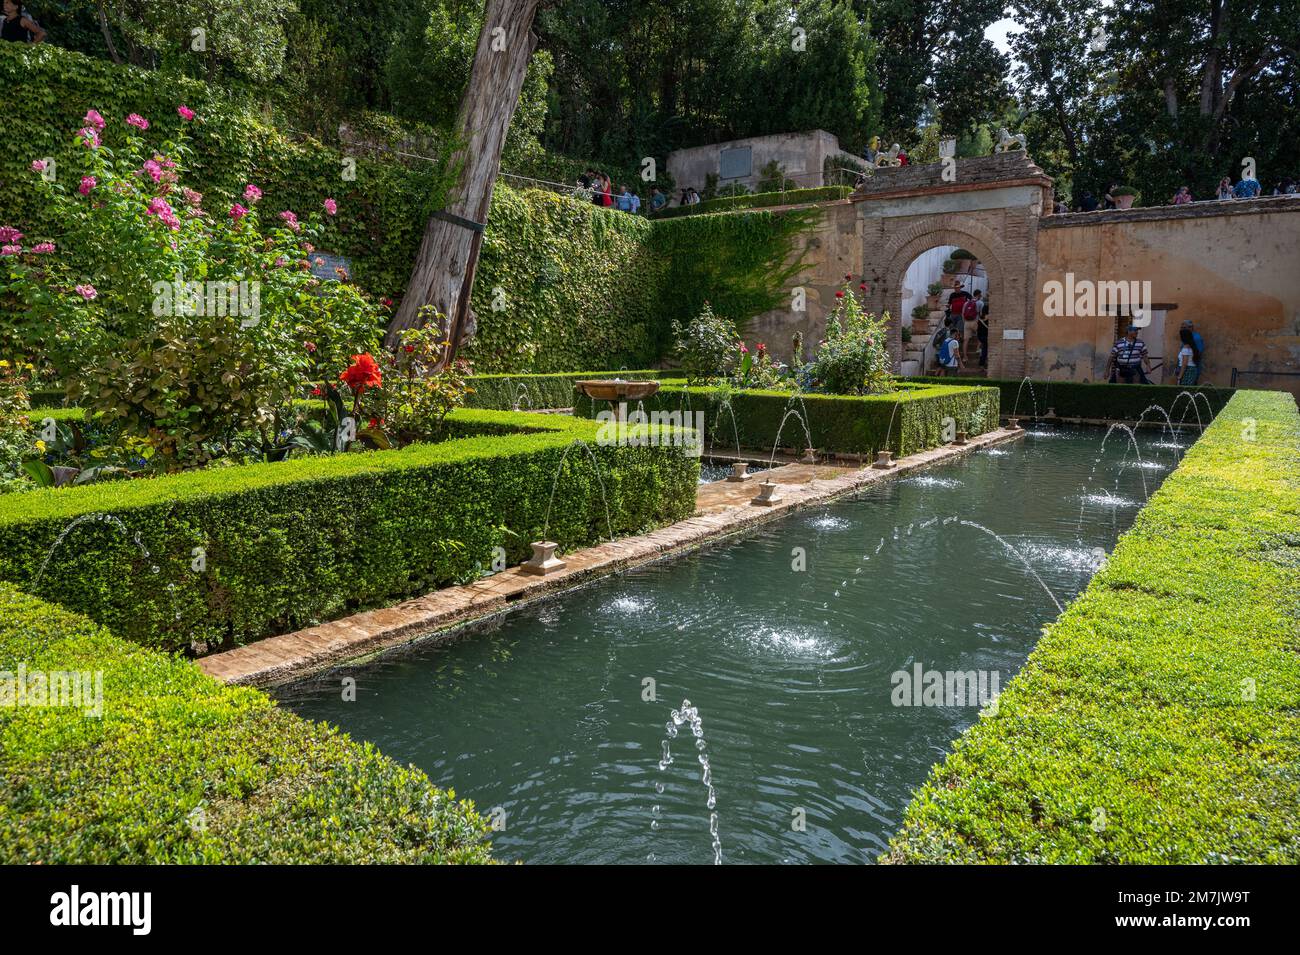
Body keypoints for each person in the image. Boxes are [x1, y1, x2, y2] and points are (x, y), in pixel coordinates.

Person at [975, 291, 990, 367]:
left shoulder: (980, 318)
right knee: (985, 349)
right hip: (985, 335)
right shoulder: (988, 320)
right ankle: (983, 363)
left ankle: (982, 362)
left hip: (980, 335)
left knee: (984, 348)